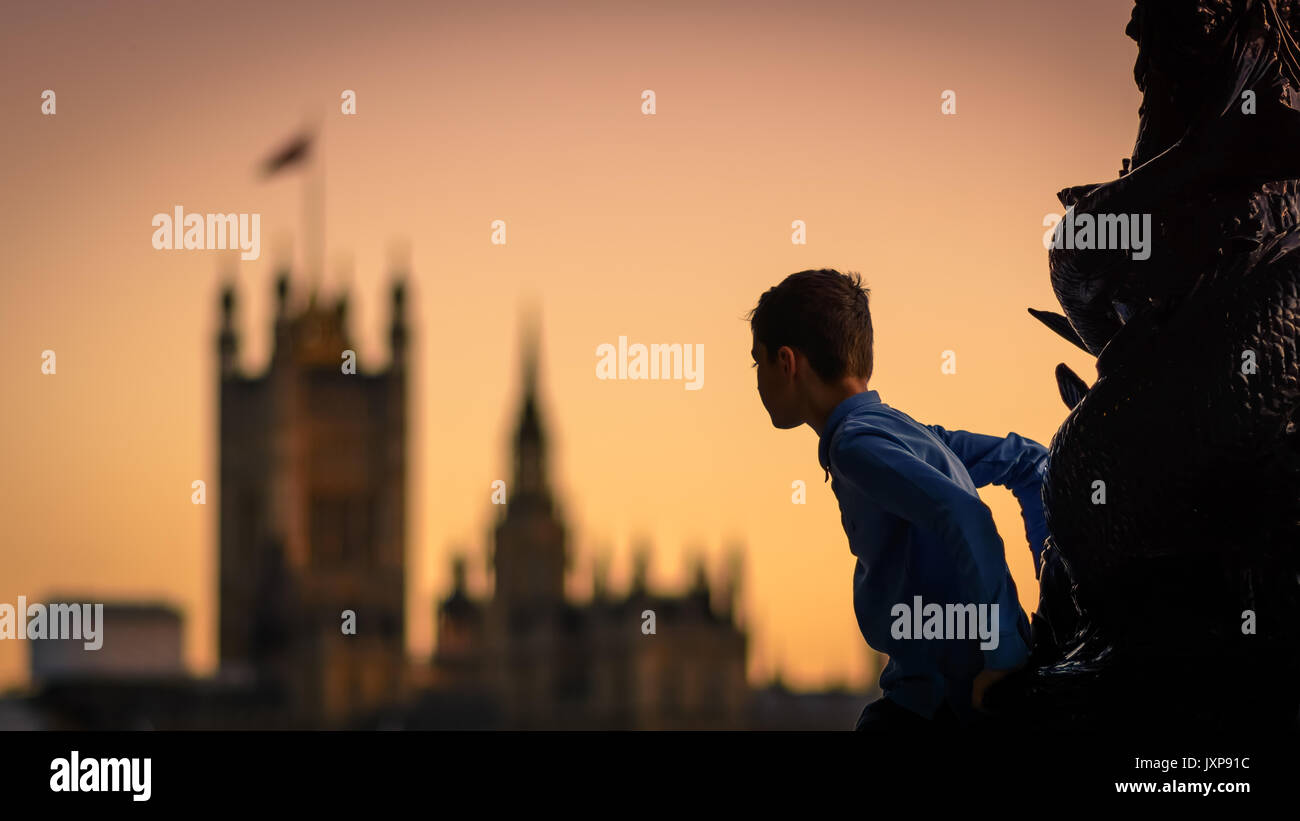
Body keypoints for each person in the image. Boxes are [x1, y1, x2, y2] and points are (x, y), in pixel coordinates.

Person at [746, 269, 1049, 734]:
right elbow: (1030, 461)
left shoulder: (853, 446)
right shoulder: (910, 433)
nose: (756, 381)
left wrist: (1005, 653)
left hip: (941, 698)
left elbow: (965, 514)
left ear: (786, 362)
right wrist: (1050, 589)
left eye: (756, 363)